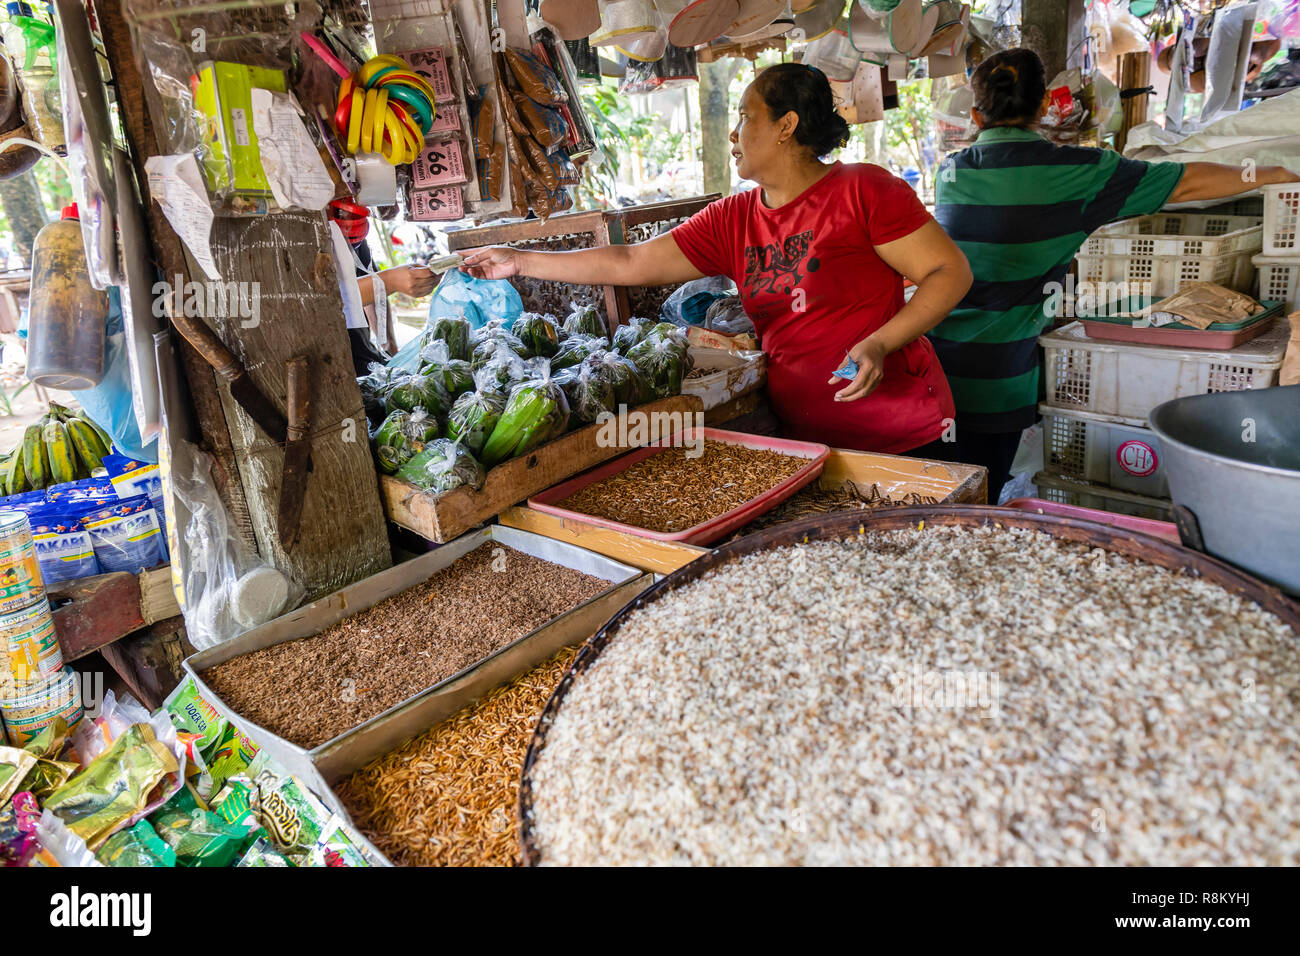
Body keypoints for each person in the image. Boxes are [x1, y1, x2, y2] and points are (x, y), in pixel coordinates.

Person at [463, 63, 973, 456]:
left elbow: (949, 272)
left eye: (746, 118)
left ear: (785, 126)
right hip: (807, 440)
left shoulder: (863, 190)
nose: (734, 134)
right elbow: (629, 263)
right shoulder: (732, 218)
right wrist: (519, 260)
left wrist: (880, 343)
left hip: (902, 432)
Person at [930, 47, 1300, 502]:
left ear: (974, 115)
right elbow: (1187, 181)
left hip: (934, 367)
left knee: (939, 494)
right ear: (1045, 107)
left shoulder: (950, 171)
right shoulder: (1080, 172)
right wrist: (1275, 171)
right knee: (978, 499)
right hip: (1000, 380)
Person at [328, 199, 437, 376]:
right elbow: (324, 300)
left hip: (366, 359)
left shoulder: (353, 234)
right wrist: (390, 281)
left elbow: (373, 287)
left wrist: (390, 347)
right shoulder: (306, 242)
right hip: (337, 370)